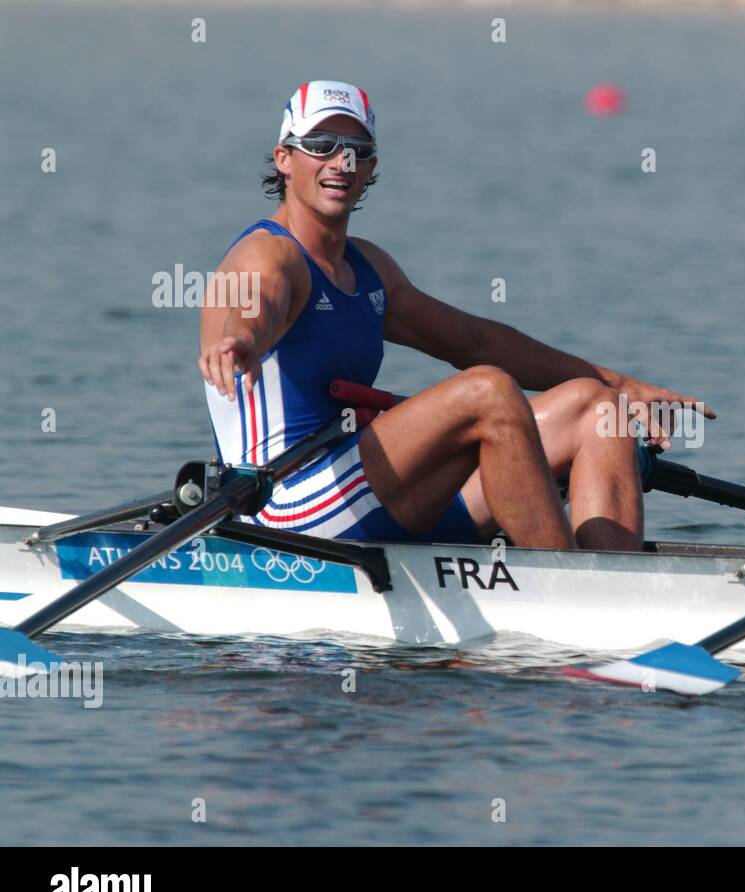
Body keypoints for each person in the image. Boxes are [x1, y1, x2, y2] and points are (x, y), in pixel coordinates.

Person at [199, 81, 712, 552]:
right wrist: (241, 339)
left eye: (357, 150)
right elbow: (257, 301)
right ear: (284, 159)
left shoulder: (370, 267)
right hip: (283, 507)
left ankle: (615, 584)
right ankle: (566, 587)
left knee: (595, 406)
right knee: (488, 392)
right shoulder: (267, 254)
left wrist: (620, 383)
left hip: (364, 494)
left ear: (371, 168)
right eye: (321, 145)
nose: (341, 161)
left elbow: (476, 342)